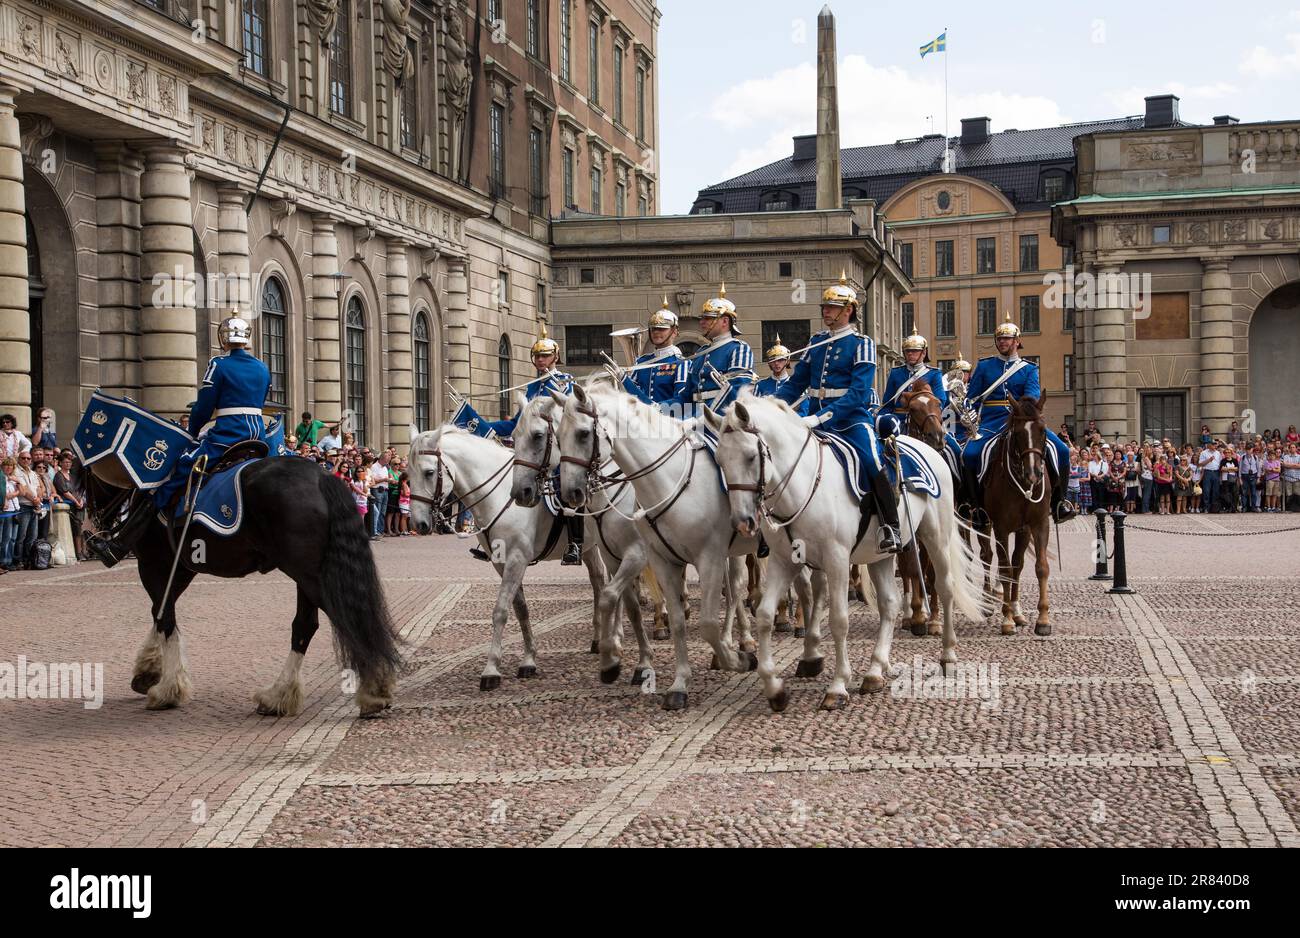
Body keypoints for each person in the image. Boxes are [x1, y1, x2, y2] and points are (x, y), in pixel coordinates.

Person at [88, 314, 271, 566]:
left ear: (223, 339)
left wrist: (192, 431)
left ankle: (119, 545)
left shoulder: (219, 364)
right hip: (258, 437)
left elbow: (205, 406)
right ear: (247, 338)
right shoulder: (262, 367)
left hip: (228, 436)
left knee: (173, 475)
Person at [775, 273, 900, 553]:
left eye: (831, 308)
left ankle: (890, 526)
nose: (825, 312)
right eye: (824, 307)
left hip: (851, 421)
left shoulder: (862, 343)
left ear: (849, 311)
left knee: (871, 461)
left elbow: (857, 394)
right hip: (815, 420)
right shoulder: (816, 342)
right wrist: (770, 406)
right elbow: (796, 384)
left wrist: (819, 417)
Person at [479, 324, 584, 565]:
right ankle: (493, 542)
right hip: (535, 449)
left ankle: (575, 543)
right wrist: (484, 424)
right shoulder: (530, 388)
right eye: (537, 356)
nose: (540, 360)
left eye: (545, 355)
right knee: (508, 481)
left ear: (555, 357)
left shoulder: (565, 382)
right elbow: (517, 425)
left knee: (566, 486)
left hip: (558, 448)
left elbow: (570, 415)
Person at [960, 315, 1075, 523]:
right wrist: (969, 412)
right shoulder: (985, 366)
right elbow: (972, 398)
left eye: (1007, 338)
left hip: (1022, 421)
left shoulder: (1029, 369)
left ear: (1017, 341)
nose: (1002, 342)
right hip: (991, 423)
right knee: (969, 454)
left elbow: (1031, 397)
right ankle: (975, 506)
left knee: (1062, 451)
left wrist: (1023, 414)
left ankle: (1060, 502)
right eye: (999, 339)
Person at [659, 283, 756, 419]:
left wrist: (704, 419)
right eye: (702, 318)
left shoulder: (739, 349)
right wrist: (656, 409)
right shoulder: (702, 352)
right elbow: (685, 397)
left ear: (724, 321)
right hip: (694, 418)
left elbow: (737, 394)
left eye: (708, 318)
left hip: (722, 421)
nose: (701, 322)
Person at [622, 298, 688, 406]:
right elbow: (629, 397)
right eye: (653, 329)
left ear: (675, 332)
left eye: (662, 329)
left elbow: (680, 401)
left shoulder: (681, 363)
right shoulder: (641, 361)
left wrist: (656, 411)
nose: (656, 332)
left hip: (668, 419)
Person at [1198, 440, 1221, 513]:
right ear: (1209, 445)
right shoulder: (1203, 453)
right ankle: (1206, 507)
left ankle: (1214, 508)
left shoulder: (1218, 453)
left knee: (1216, 491)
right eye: (1213, 444)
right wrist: (1209, 460)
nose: (1215, 446)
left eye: (1215, 444)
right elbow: (1200, 464)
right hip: (1207, 472)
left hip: (1216, 472)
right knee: (1206, 490)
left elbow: (1219, 463)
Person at [1219, 446, 1239, 513]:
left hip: (1233, 479)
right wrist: (1232, 469)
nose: (1227, 454)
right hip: (1225, 480)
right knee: (1226, 494)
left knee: (1234, 494)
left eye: (1229, 452)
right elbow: (1221, 469)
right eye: (1226, 453)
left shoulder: (1235, 460)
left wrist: (1227, 469)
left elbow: (1237, 469)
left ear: (1231, 453)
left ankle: (1234, 508)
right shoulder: (1223, 460)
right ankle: (1229, 507)